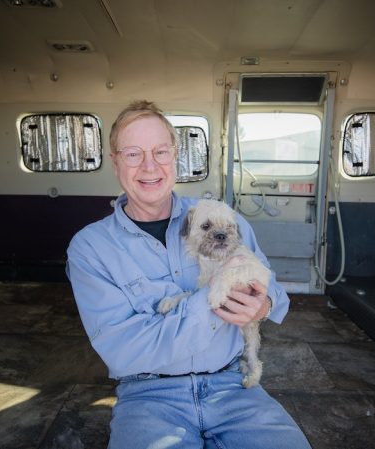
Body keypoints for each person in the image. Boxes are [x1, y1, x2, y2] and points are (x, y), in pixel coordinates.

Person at [66, 100, 311, 449]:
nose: (150, 166)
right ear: (114, 160)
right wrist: (209, 299)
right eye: (134, 153)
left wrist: (265, 302)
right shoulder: (91, 247)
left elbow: (272, 288)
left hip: (232, 386)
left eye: (160, 152)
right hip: (149, 394)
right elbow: (123, 351)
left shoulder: (222, 218)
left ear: (175, 156)